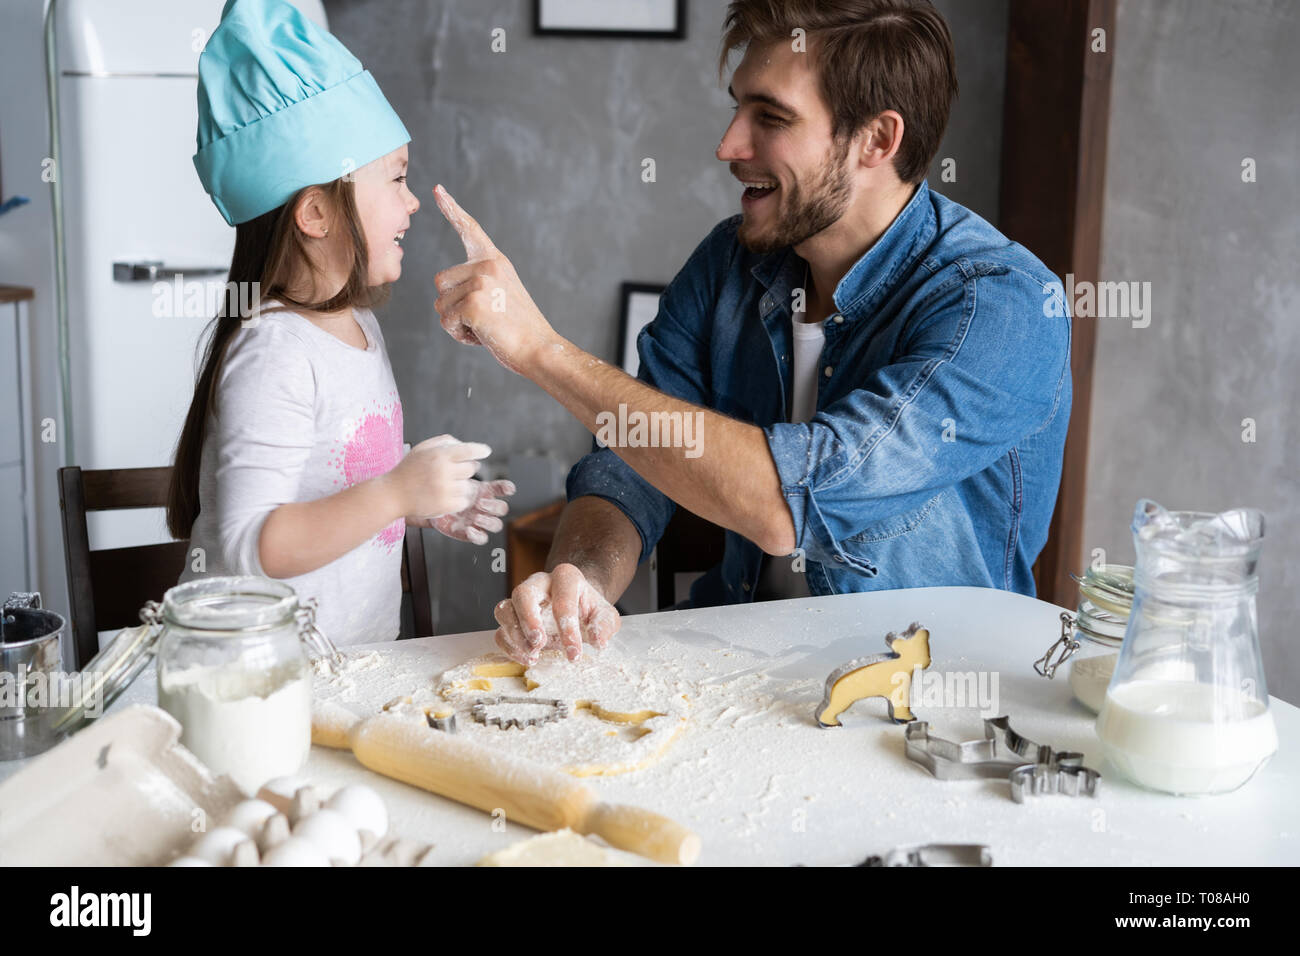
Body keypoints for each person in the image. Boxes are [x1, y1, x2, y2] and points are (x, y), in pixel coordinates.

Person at [433, 0, 1071, 666]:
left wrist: (541, 351)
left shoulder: (1003, 305)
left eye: (770, 117)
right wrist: (583, 578)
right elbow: (633, 461)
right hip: (736, 660)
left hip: (921, 700)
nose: (730, 145)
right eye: (738, 107)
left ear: (878, 141)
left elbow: (788, 503)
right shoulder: (730, 262)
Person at [167, 0, 512, 646]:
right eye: (397, 178)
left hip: (343, 679)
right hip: (259, 695)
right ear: (316, 214)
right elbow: (251, 546)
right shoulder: (273, 353)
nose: (412, 201)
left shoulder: (354, 325)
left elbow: (338, 479)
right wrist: (394, 495)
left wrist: (421, 499)